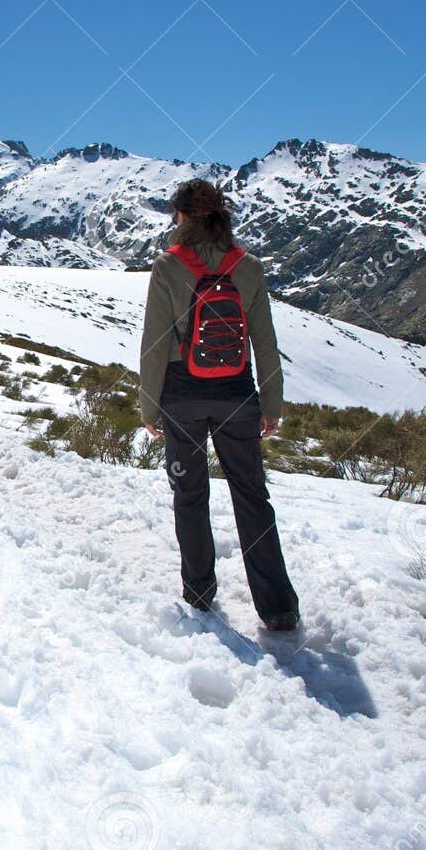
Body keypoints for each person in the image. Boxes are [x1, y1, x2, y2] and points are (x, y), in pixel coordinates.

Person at [139, 178, 301, 632]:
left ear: (184, 217)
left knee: (190, 495)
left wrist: (149, 407)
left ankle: (200, 594)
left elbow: (155, 343)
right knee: (251, 496)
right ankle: (278, 607)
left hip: (182, 398)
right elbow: (264, 343)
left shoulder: (168, 266)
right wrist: (272, 404)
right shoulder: (247, 266)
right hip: (237, 396)